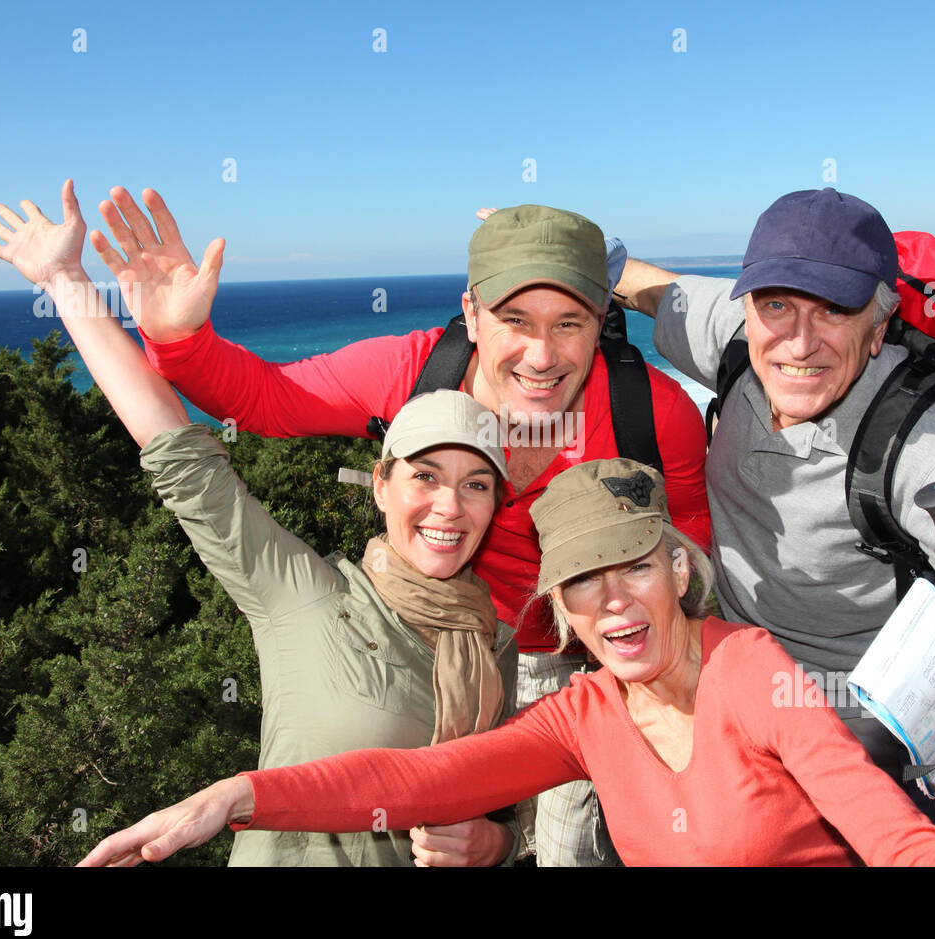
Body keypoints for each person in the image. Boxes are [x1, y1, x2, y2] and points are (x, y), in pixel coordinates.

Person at [90, 190, 713, 865]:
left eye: (569, 323)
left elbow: (687, 548)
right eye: (515, 320)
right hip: (453, 642)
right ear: (472, 314)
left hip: (588, 653)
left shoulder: (651, 414)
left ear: (602, 320)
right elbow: (263, 400)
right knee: (419, 815)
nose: (541, 355)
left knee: (566, 849)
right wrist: (179, 338)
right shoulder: (414, 372)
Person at [0, 181, 523, 866]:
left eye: (475, 485)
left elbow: (514, 810)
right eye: (425, 477)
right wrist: (65, 279)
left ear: (496, 505)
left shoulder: (495, 647)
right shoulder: (307, 597)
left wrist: (492, 842)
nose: (448, 507)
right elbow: (177, 451)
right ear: (381, 486)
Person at [78, 458, 935, 868]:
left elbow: (892, 837)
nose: (613, 600)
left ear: (677, 569)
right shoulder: (585, 718)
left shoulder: (752, 672)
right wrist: (236, 796)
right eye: (584, 583)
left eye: (633, 567)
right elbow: (419, 779)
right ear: (565, 619)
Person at [611, 187, 935, 864]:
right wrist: (550, 252)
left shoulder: (920, 446)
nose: (797, 339)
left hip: (871, 743)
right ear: (749, 305)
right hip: (735, 703)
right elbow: (650, 288)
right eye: (778, 304)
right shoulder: (739, 338)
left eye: (835, 311)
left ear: (878, 329)